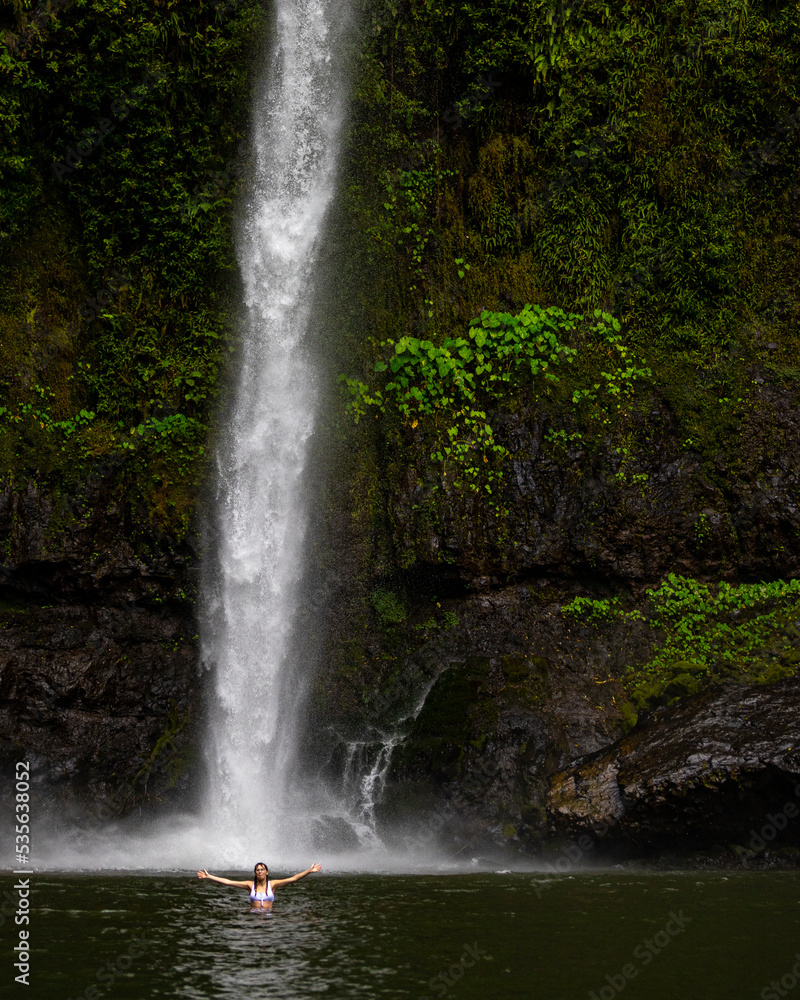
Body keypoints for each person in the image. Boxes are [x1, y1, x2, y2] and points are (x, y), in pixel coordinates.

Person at [196, 861, 322, 910]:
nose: (260, 871)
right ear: (255, 873)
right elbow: (228, 882)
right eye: (257, 870)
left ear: (266, 872)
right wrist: (209, 876)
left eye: (262, 869)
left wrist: (309, 871)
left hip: (269, 916)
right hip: (253, 916)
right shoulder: (249, 885)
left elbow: (293, 879)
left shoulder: (272, 885)